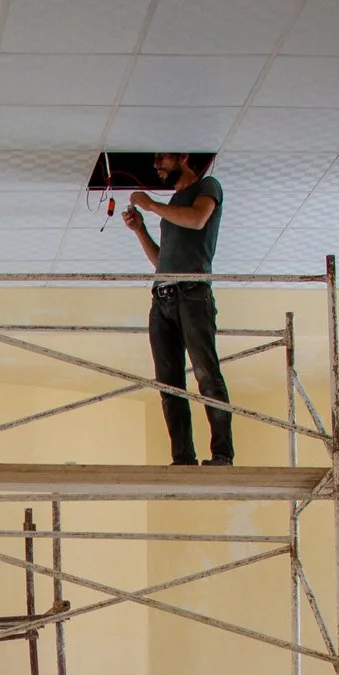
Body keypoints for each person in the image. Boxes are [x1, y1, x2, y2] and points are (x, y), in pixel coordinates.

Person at [124, 153, 232, 466]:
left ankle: (222, 454)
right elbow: (163, 263)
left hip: (193, 294)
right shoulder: (171, 211)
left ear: (182, 157)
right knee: (168, 382)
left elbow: (198, 219)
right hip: (163, 296)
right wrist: (141, 229)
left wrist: (152, 205)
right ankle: (182, 456)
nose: (156, 164)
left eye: (161, 158)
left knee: (206, 374)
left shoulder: (207, 186)